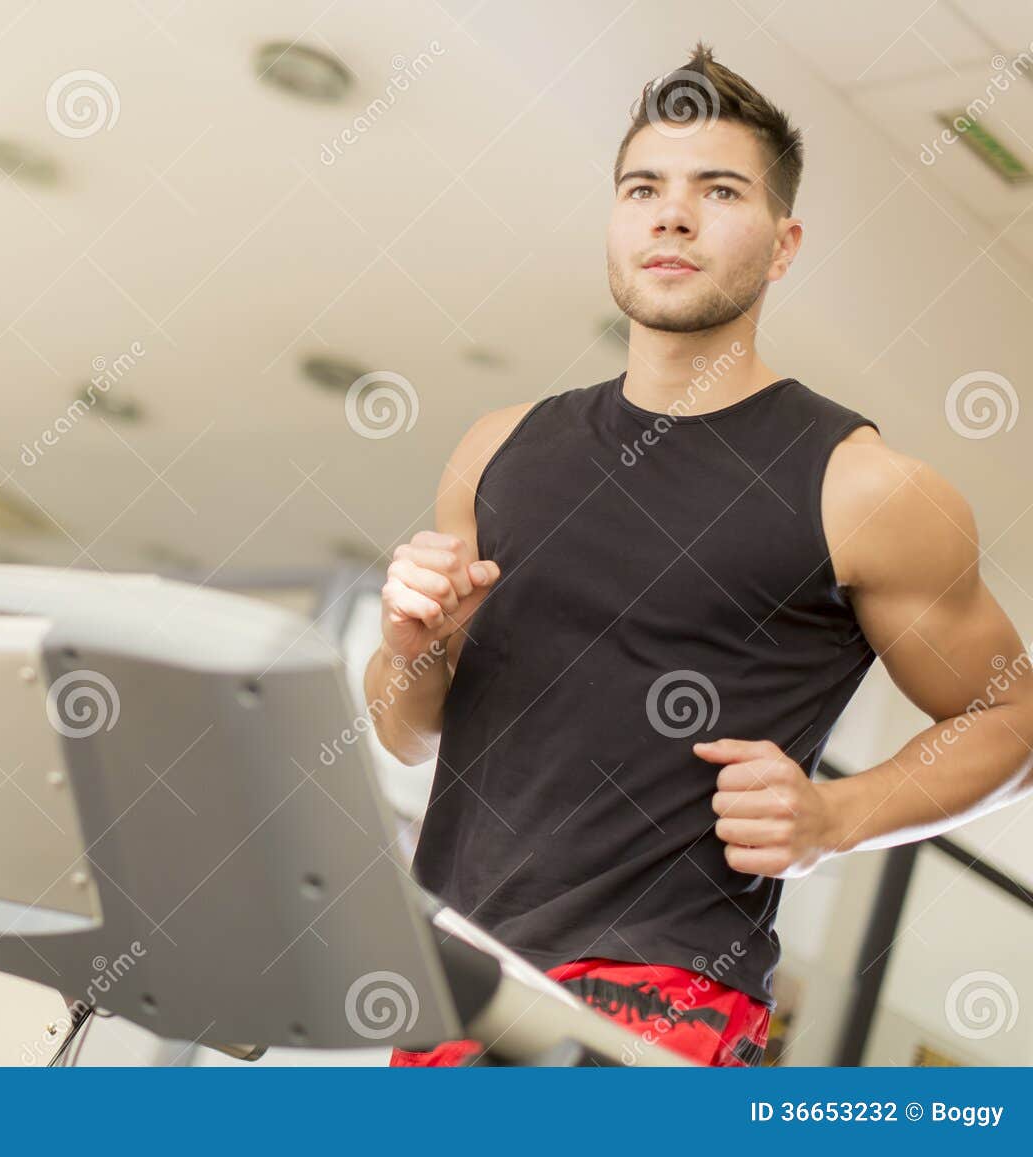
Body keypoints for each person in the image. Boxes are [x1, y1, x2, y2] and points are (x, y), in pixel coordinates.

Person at [368, 42, 1033, 1068]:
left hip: (657, 1000)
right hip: (449, 980)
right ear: (617, 221)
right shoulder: (498, 448)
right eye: (643, 188)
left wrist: (835, 815)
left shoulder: (860, 487)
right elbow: (406, 732)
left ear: (781, 243)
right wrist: (409, 643)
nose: (670, 215)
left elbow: (1011, 718)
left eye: (717, 190)